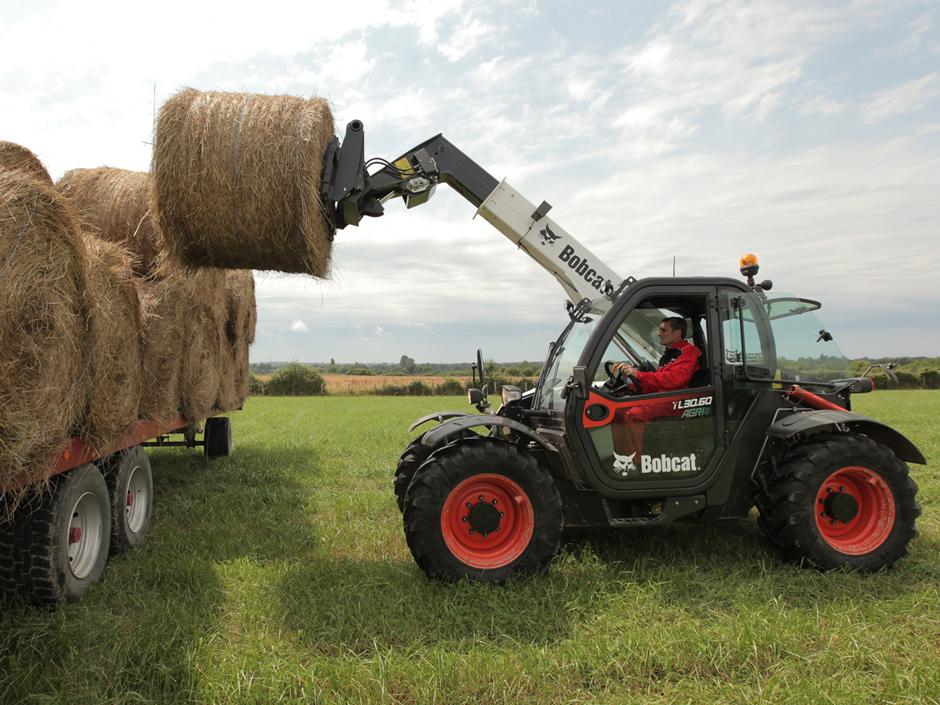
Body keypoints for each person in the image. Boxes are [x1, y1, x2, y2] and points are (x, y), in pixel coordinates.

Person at [610, 317, 702, 458]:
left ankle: (636, 461)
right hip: (662, 398)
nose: (659, 333)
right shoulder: (668, 355)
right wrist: (632, 383)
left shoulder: (689, 351)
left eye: (663, 330)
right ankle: (622, 456)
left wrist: (638, 374)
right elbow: (656, 381)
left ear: (677, 333)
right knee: (617, 411)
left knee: (633, 415)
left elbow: (674, 380)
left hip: (676, 401)